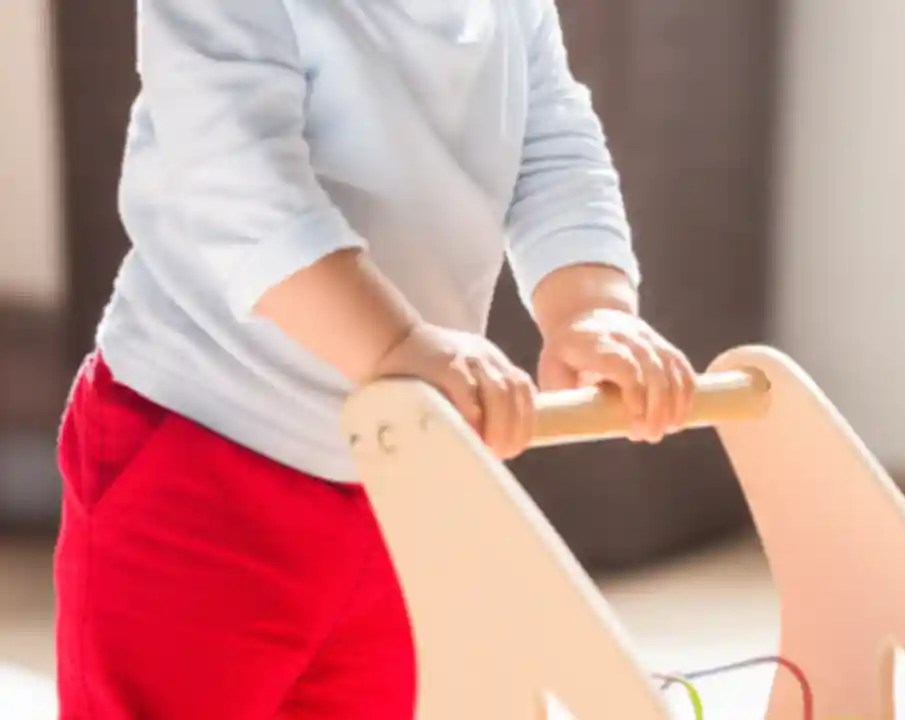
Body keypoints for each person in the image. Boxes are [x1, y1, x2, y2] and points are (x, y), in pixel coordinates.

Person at [53, 1, 694, 717]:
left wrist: (588, 307)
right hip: (202, 456)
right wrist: (394, 345)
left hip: (397, 468)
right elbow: (238, 184)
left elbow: (553, 145)